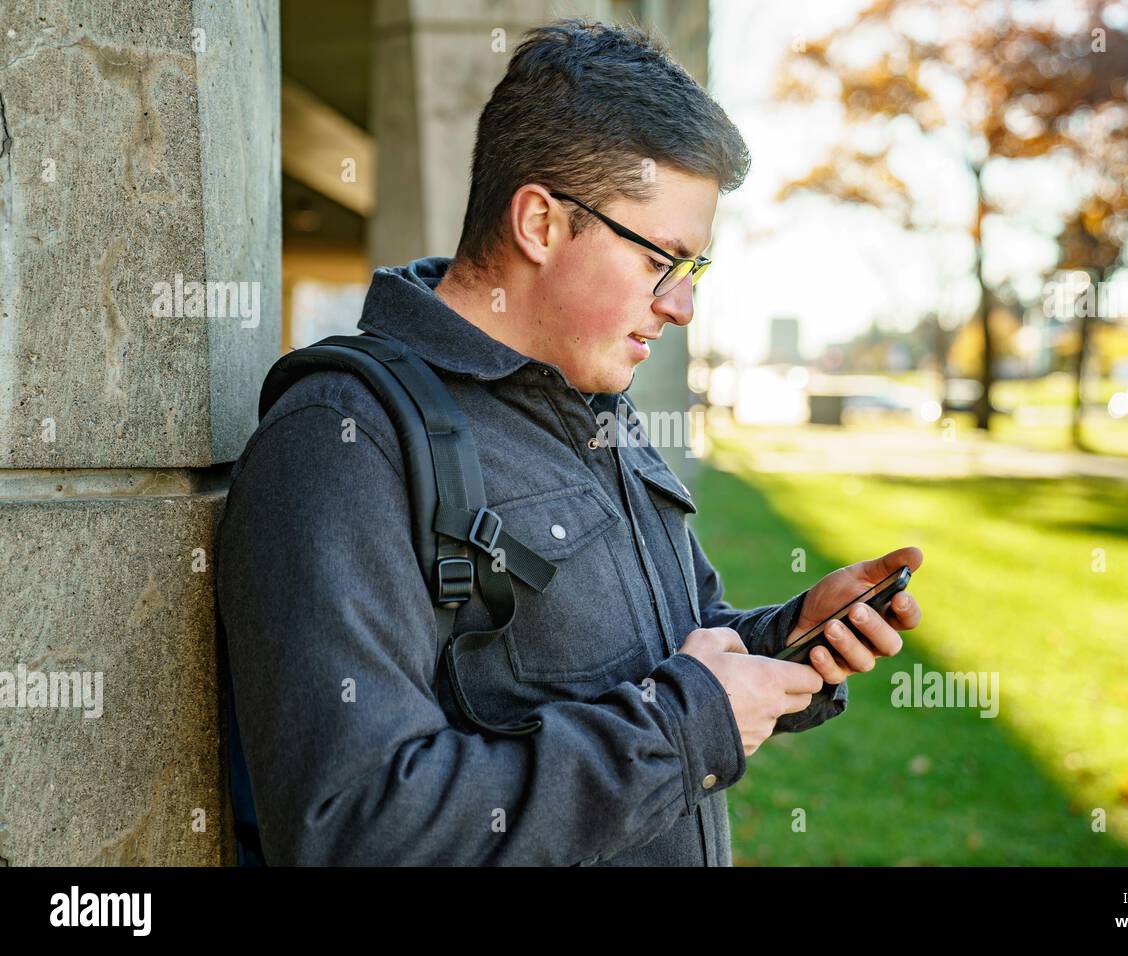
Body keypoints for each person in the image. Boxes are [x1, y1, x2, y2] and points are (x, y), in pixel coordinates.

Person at [216, 16, 922, 866]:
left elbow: (676, 647)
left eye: (693, 272)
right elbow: (360, 829)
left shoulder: (598, 408)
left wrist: (783, 641)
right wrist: (687, 726)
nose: (680, 305)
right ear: (542, 224)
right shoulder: (341, 441)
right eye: (663, 259)